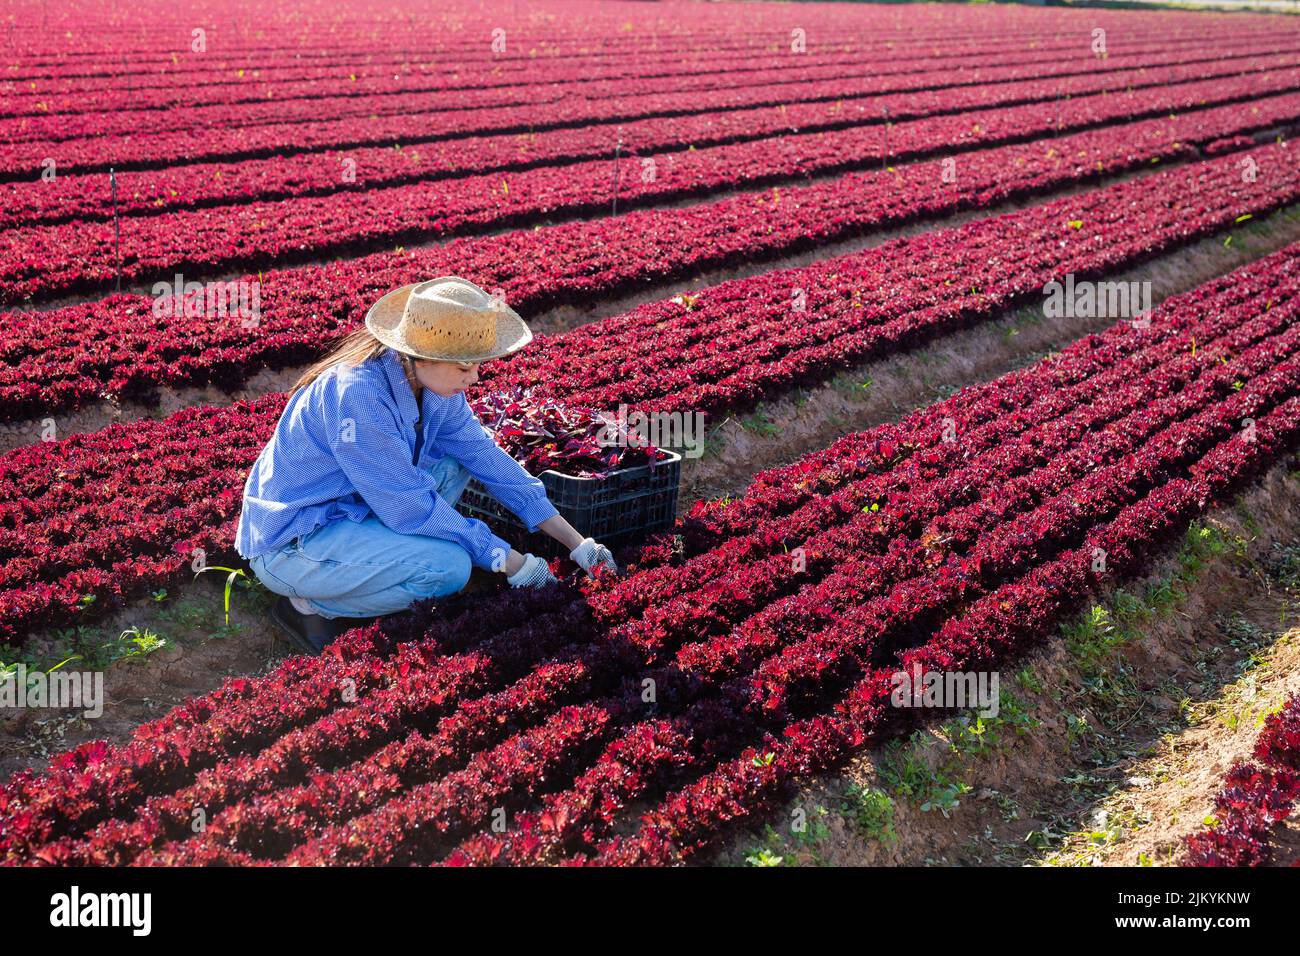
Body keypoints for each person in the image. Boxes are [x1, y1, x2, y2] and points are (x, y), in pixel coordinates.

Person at [233, 276, 618, 655]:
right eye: (464, 366)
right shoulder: (359, 395)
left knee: (460, 457)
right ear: (420, 354)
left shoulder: (431, 385)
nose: (474, 378)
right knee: (449, 568)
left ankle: (384, 564)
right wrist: (509, 560)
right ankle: (310, 606)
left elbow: (485, 457)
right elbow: (409, 505)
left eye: (477, 365)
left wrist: (576, 542)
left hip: (363, 508)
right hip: (301, 541)